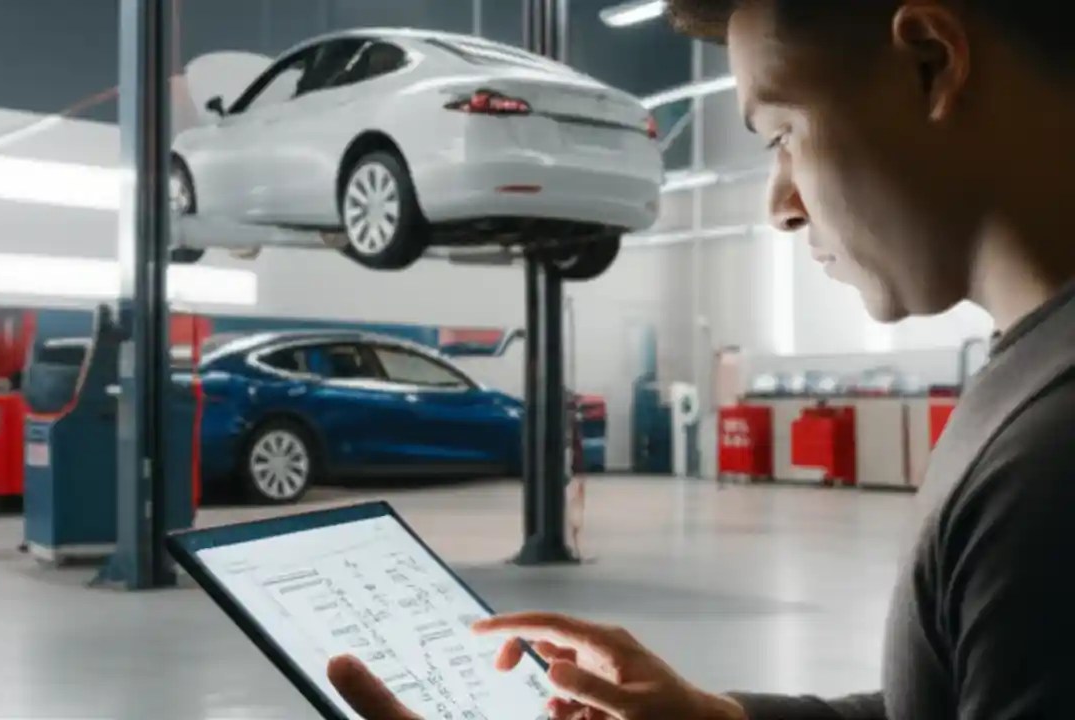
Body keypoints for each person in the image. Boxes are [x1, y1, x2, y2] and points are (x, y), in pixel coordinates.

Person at [326, 0, 1075, 718]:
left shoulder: (1050, 462)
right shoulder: (1031, 382)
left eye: (781, 133)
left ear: (931, 64)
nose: (778, 204)